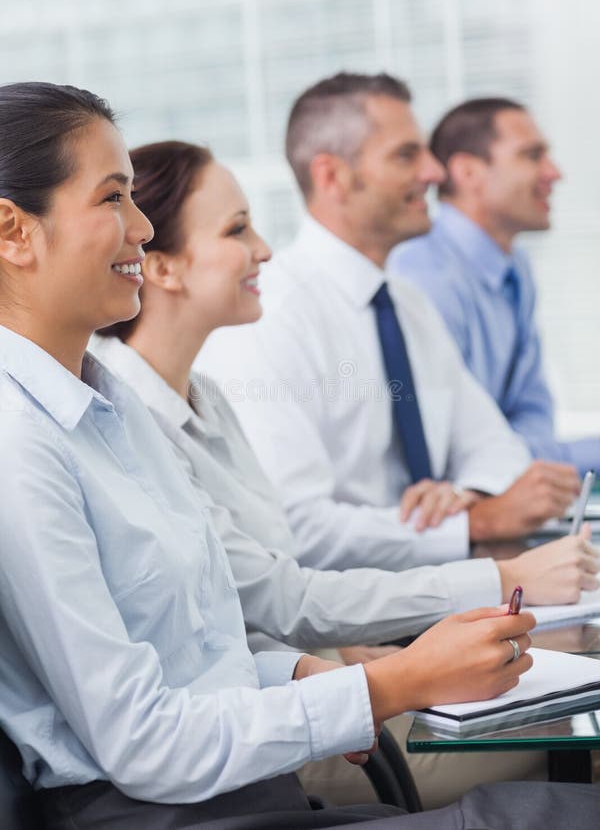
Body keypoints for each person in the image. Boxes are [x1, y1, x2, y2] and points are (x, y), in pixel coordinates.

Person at [1, 83, 593, 830]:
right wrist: (389, 683)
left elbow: (224, 629)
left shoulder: (110, 402)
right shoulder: (21, 443)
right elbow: (145, 740)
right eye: (112, 199)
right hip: (171, 810)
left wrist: (310, 674)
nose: (141, 229)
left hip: (249, 778)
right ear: (14, 232)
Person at [196, 73, 580, 577]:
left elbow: (496, 447)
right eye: (406, 155)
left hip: (442, 592)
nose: (434, 171)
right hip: (355, 620)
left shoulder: (407, 303)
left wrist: (466, 495)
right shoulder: (266, 316)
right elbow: (296, 529)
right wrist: (473, 523)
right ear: (333, 177)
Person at [389, 97, 600, 476]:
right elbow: (454, 447)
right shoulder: (422, 276)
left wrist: (526, 460)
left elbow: (531, 406)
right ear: (468, 172)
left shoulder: (515, 268)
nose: (554, 173)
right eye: (532, 156)